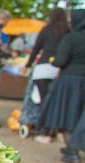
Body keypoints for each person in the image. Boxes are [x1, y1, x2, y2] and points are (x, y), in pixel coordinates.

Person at [38, 10, 85, 163]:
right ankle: (76, 147)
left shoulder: (71, 38)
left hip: (70, 81)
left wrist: (53, 60)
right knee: (84, 115)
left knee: (66, 115)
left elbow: (60, 61)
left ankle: (72, 151)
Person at [24, 9, 71, 142]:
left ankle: (45, 131)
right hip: (60, 69)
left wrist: (28, 65)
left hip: (43, 68)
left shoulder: (46, 30)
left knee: (43, 100)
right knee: (57, 101)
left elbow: (36, 49)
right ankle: (57, 130)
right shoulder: (67, 31)